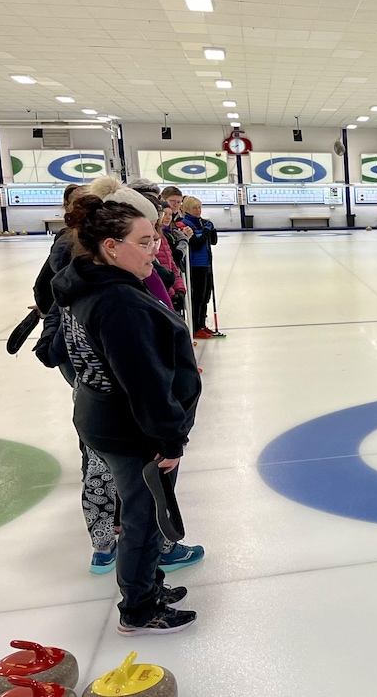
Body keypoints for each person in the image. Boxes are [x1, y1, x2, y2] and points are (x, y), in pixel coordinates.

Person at [51, 195, 201, 636]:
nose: (155, 248)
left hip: (104, 419)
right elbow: (145, 383)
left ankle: (148, 582)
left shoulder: (87, 283)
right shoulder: (119, 302)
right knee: (145, 515)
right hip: (133, 430)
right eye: (144, 241)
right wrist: (169, 440)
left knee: (142, 510)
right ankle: (139, 606)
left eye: (155, 239)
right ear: (111, 247)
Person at [178, 196, 221, 337]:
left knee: (206, 296)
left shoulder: (202, 223)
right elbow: (196, 244)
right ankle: (196, 327)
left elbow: (213, 242)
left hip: (206, 263)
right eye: (195, 208)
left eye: (199, 207)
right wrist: (206, 231)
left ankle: (202, 324)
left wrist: (211, 230)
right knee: (197, 297)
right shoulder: (184, 224)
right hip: (195, 266)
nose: (198, 210)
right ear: (187, 210)